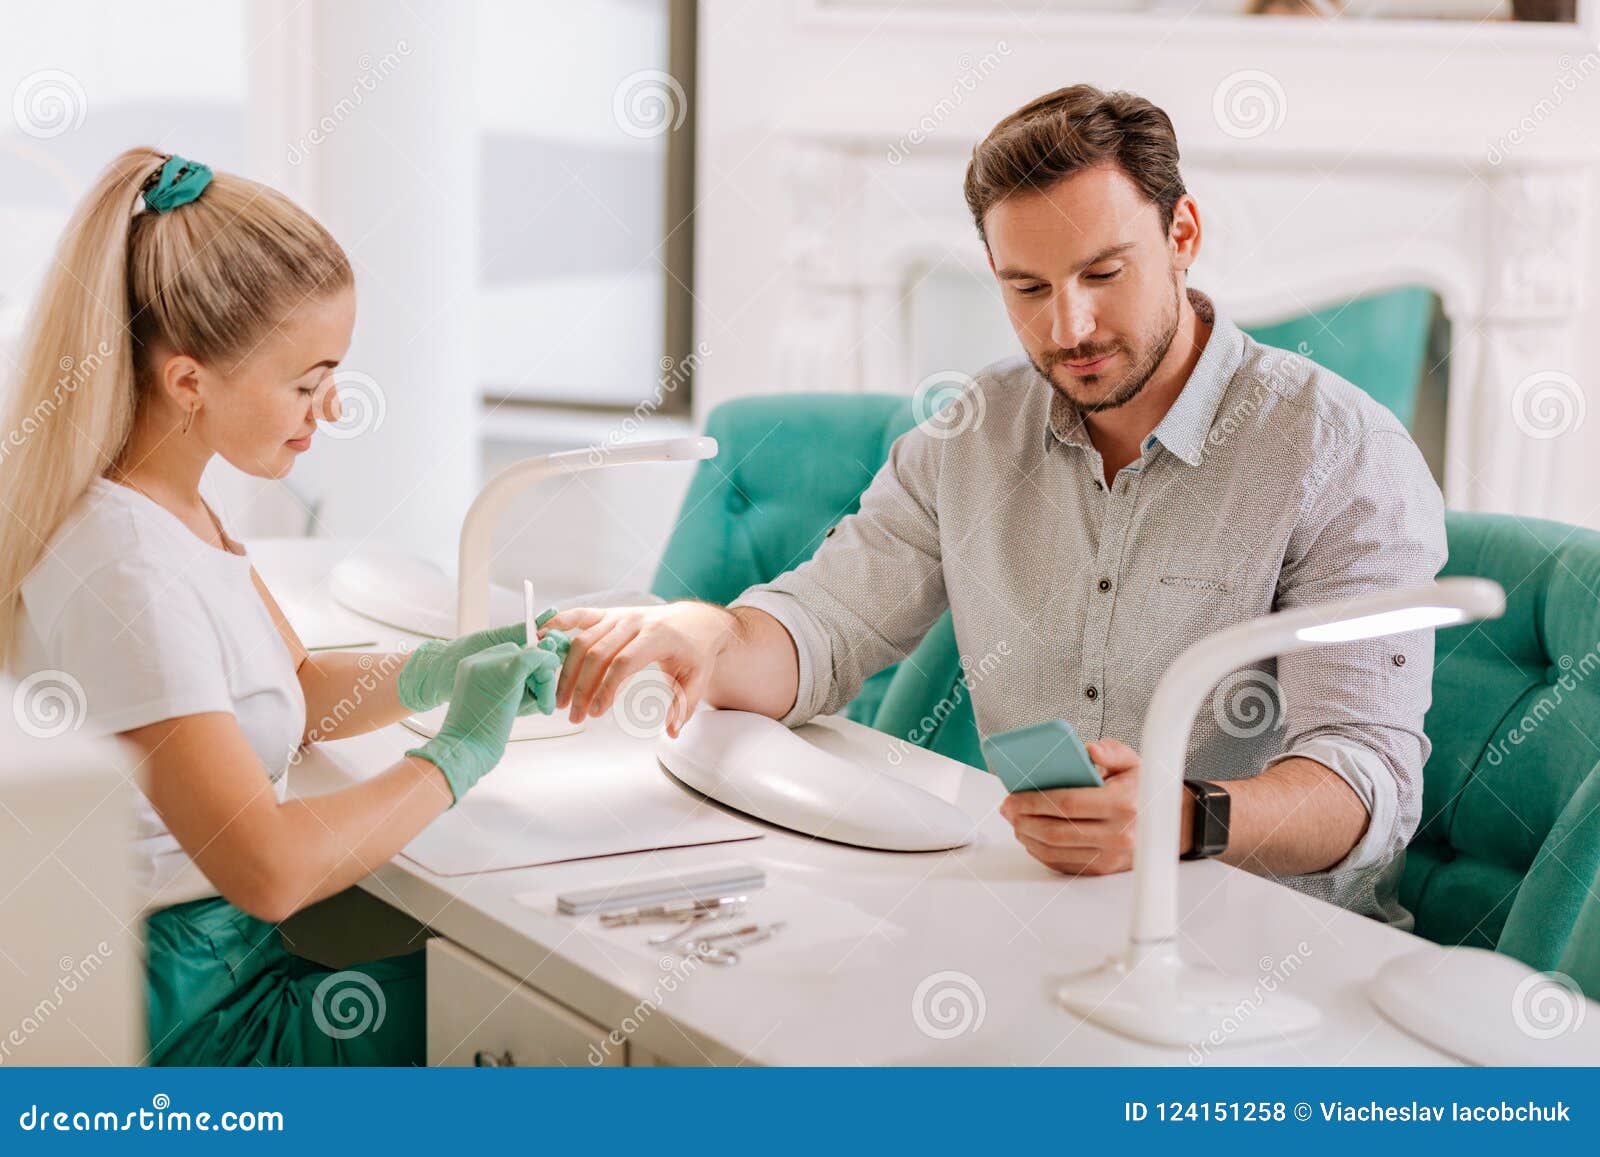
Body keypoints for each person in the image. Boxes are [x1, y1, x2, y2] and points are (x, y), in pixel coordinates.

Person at [544, 86, 1448, 927]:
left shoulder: (1340, 452)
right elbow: (822, 627)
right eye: (1028, 288)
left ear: (1182, 234)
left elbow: (1365, 781)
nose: (1070, 328)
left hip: (1273, 953)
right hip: (1042, 916)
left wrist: (1180, 816)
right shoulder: (974, 433)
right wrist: (707, 635)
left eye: (1104, 274)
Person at [0, 149, 561, 1064]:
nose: (329, 408)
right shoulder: (127, 569)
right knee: (534, 1024)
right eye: (305, 383)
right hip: (190, 1024)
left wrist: (446, 666)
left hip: (224, 972)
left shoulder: (164, 505)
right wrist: (458, 753)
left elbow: (289, 681)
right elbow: (268, 867)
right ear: (189, 382)